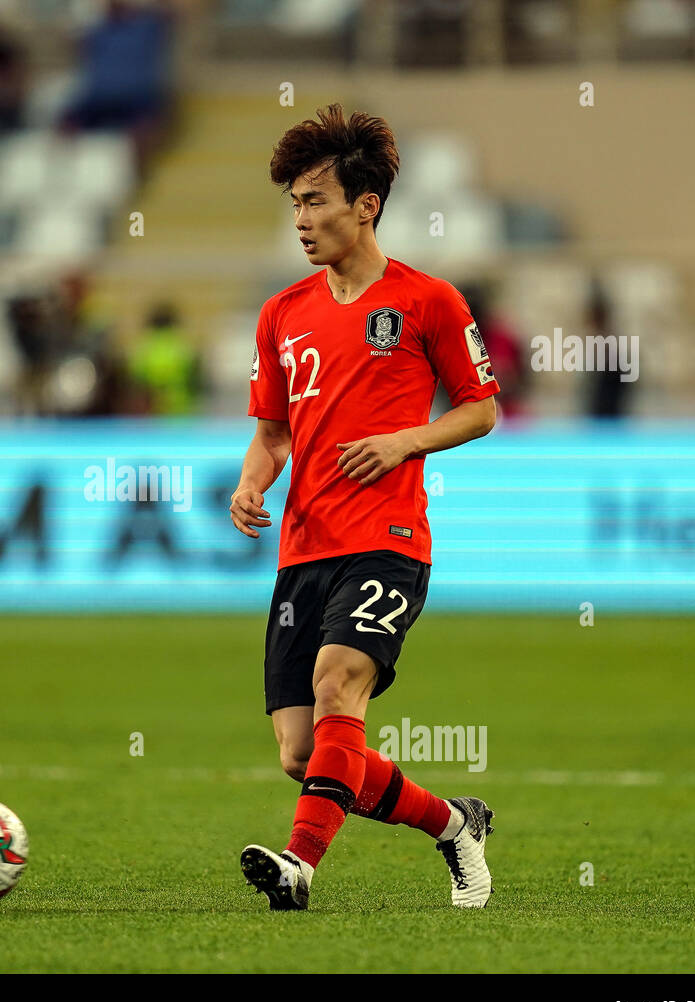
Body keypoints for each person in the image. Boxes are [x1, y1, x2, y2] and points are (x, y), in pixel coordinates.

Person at [230, 104, 500, 911]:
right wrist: (252, 480)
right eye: (295, 205)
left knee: (337, 682)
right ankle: (454, 824)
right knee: (303, 750)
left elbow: (482, 407)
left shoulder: (429, 302)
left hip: (388, 540)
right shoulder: (282, 313)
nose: (302, 220)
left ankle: (299, 867)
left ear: (366, 205)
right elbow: (273, 433)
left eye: (315, 201)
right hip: (303, 545)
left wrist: (404, 442)